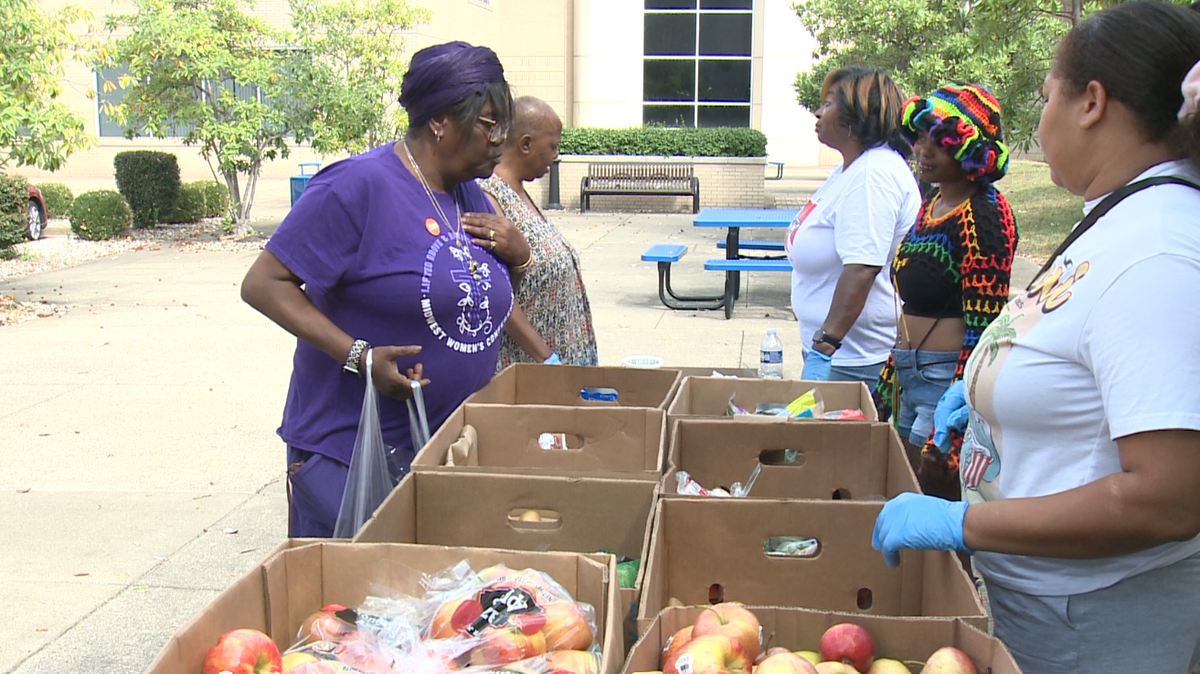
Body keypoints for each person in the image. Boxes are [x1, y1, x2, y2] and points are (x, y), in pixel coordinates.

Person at [872, 3, 1200, 671]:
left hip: (1096, 618)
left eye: (1048, 95)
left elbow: (1168, 496)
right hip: (1047, 603)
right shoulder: (1122, 216)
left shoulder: (1159, 253)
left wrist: (963, 524)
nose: (1039, 118)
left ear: (1092, 103)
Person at [240, 41, 530, 538]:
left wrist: (518, 257)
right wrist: (360, 357)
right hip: (354, 455)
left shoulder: (469, 192)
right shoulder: (357, 187)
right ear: (440, 120)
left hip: (439, 453)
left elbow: (481, 293)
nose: (500, 139)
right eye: (488, 123)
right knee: (357, 605)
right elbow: (264, 284)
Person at [872, 84, 1018, 496]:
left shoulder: (986, 216)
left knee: (929, 489)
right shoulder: (930, 204)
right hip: (907, 372)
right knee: (897, 487)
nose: (925, 149)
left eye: (942, 141)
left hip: (944, 381)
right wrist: (888, 378)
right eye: (920, 137)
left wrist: (956, 424)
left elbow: (984, 327)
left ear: (971, 152)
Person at [785, 66, 922, 384]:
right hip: (836, 357)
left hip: (853, 362)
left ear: (855, 118)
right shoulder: (852, 170)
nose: (818, 112)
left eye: (829, 103)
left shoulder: (873, 175)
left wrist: (825, 346)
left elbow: (862, 268)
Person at [479, 96, 599, 369]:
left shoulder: (520, 193)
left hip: (564, 363)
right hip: (533, 369)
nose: (555, 155)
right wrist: (546, 358)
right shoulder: (490, 197)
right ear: (526, 144)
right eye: (552, 146)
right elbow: (498, 293)